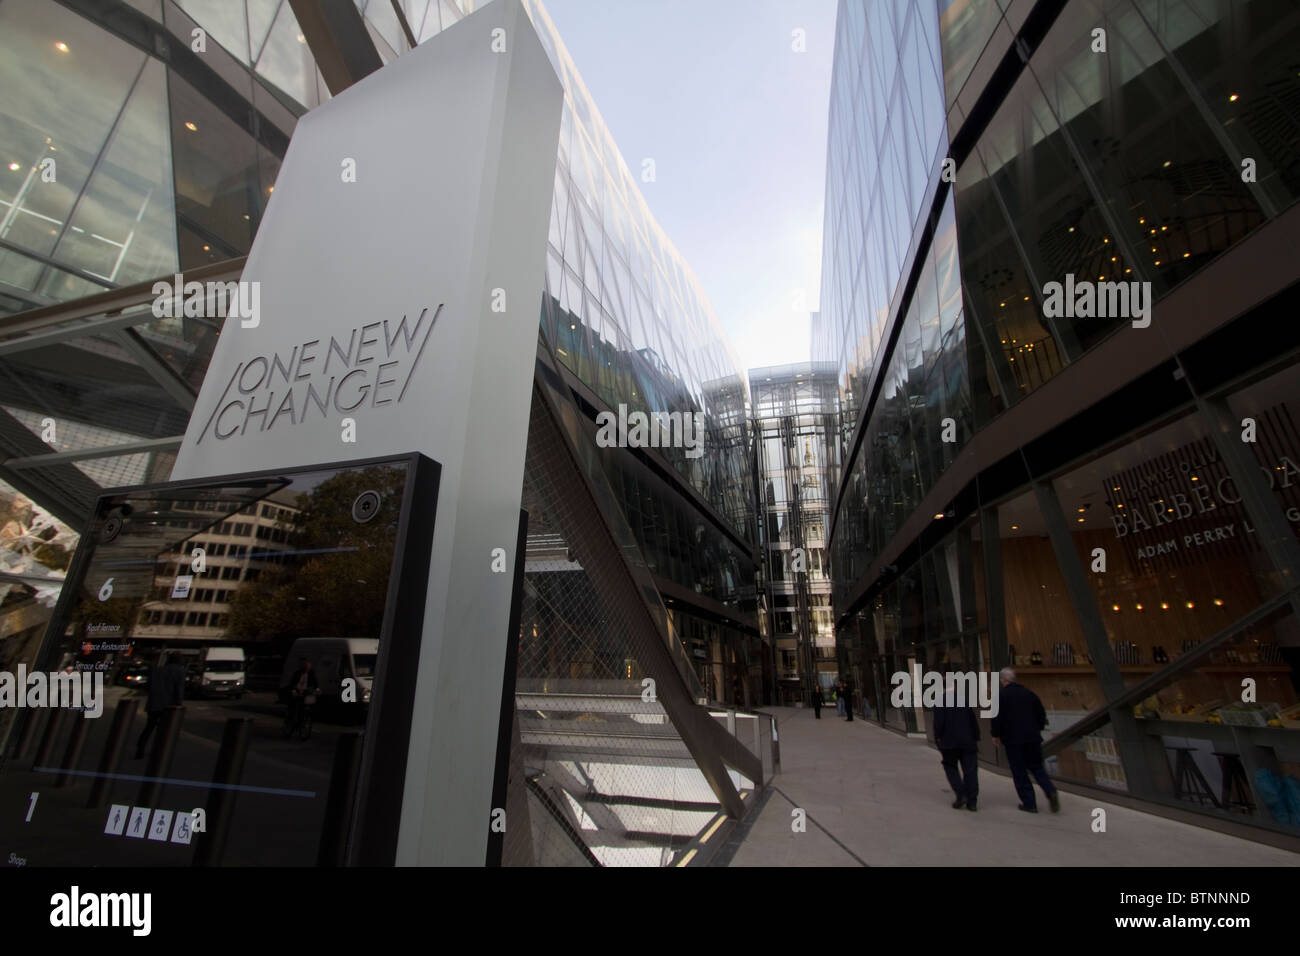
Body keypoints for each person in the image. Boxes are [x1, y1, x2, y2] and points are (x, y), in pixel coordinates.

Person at [991, 667, 1059, 813]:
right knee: (1037, 767)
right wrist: (1036, 729)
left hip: (1013, 739)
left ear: (1003, 680)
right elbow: (1041, 714)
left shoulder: (1000, 696)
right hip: (1032, 737)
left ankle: (1029, 803)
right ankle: (1050, 790)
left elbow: (996, 718)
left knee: (1019, 770)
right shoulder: (1030, 694)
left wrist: (995, 735)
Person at [933, 682, 980, 811]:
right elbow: (972, 720)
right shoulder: (963, 700)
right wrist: (976, 737)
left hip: (949, 742)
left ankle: (961, 794)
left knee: (950, 767)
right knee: (970, 771)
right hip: (967, 741)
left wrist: (938, 738)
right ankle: (972, 801)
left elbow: (939, 723)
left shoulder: (940, 701)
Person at [134, 651, 184, 759]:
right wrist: (179, 704)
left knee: (149, 727)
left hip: (154, 703)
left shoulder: (158, 670)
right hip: (168, 705)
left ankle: (141, 747)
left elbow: (148, 687)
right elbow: (178, 689)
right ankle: (159, 750)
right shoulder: (179, 671)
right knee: (164, 729)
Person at [284, 657, 319, 730]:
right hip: (297, 691)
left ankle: (304, 720)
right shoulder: (297, 673)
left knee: (308, 705)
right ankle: (291, 719)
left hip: (306, 693)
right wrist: (294, 690)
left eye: (308, 666)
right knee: (294, 705)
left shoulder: (312, 674)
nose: (306, 668)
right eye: (305, 666)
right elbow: (292, 683)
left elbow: (315, 684)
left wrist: (317, 690)